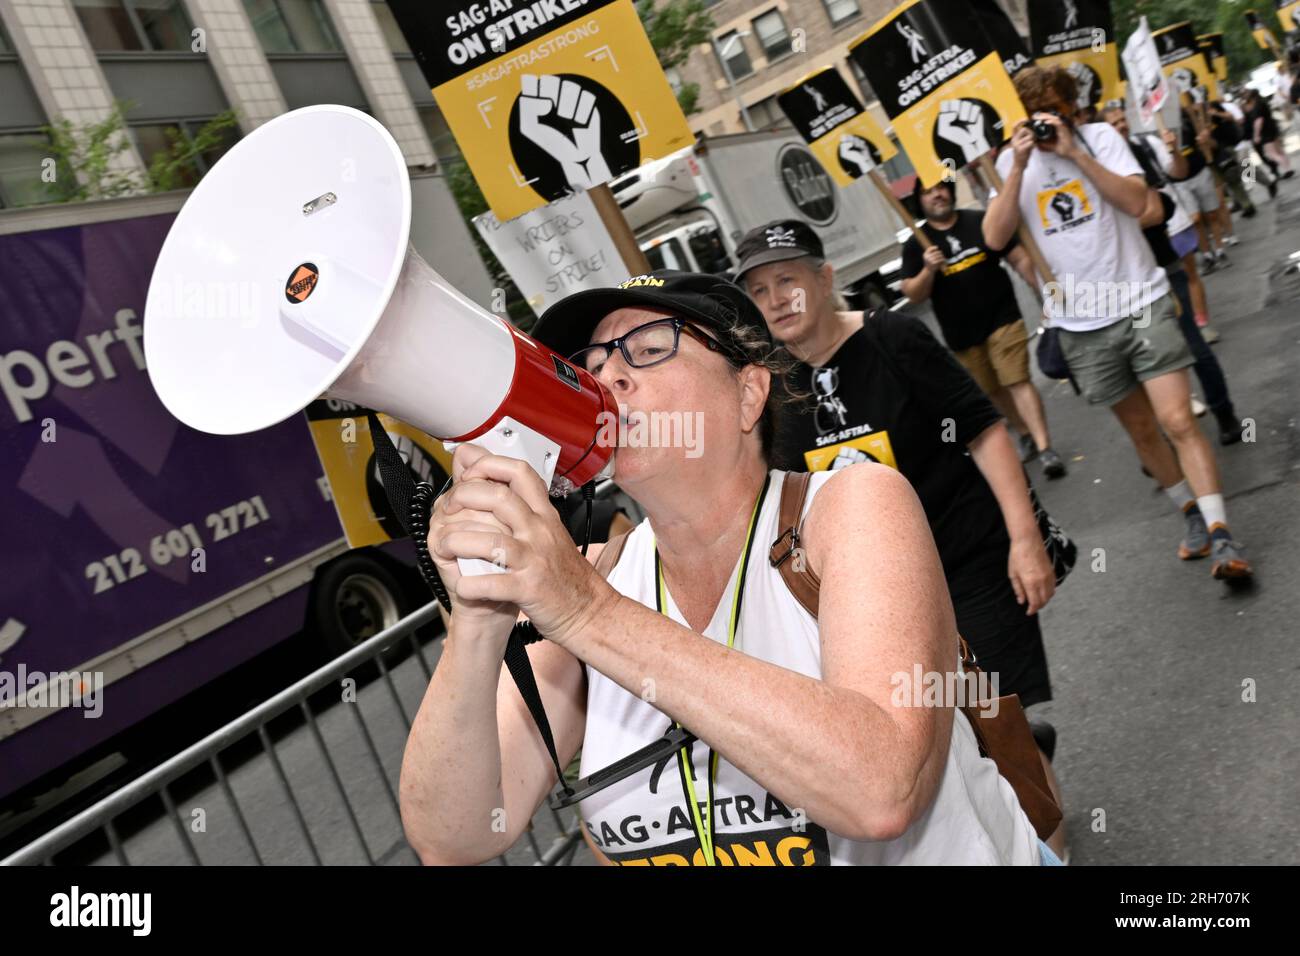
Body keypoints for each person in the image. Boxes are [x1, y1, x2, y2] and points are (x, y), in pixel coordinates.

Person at [399, 269, 1050, 866]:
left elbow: (881, 791)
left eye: (650, 347)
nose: (608, 379)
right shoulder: (598, 576)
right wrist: (477, 618)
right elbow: (453, 835)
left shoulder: (848, 506)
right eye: (590, 364)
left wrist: (583, 614)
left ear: (748, 392)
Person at [734, 221, 1068, 857]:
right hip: (878, 602)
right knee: (926, 737)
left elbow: (983, 429)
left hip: (966, 565)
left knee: (1003, 742)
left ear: (825, 278)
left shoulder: (893, 337)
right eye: (758, 288)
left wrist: (1024, 540)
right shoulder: (769, 390)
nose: (775, 298)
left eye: (787, 279)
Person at [985, 65, 1252, 580]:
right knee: (1144, 433)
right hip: (1081, 325)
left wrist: (1075, 154)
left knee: (1177, 421)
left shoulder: (1101, 139)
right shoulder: (1009, 163)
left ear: (1070, 110)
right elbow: (996, 238)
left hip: (1140, 300)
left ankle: (1222, 534)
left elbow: (1138, 203)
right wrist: (1015, 168)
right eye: (1033, 117)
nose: (1044, 125)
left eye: (1054, 113)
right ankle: (1190, 515)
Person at [899, 178, 1067, 479]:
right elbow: (913, 293)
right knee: (993, 390)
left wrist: (1046, 297)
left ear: (950, 191)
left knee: (1016, 379)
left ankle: (1045, 449)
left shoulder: (979, 221)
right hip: (961, 333)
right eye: (928, 192)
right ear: (919, 200)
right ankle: (1024, 431)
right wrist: (928, 269)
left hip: (1002, 318)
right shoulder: (916, 243)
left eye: (941, 187)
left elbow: (1019, 259)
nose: (937, 194)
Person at [1103, 105, 1244, 446]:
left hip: (1162, 265)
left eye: (1123, 120)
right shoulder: (1096, 163)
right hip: (1125, 278)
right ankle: (1165, 437)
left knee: (1191, 342)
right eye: (1113, 124)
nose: (1120, 127)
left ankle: (1225, 413)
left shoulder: (1141, 149)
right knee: (1144, 358)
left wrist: (1173, 149)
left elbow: (1162, 196)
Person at [1244, 88, 1292, 183]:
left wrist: (1256, 135)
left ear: (1251, 97)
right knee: (1279, 151)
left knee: (1272, 154)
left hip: (1265, 132)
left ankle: (1287, 169)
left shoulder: (1257, 106)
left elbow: (1259, 121)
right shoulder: (1262, 102)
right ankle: (1288, 168)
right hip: (1273, 128)